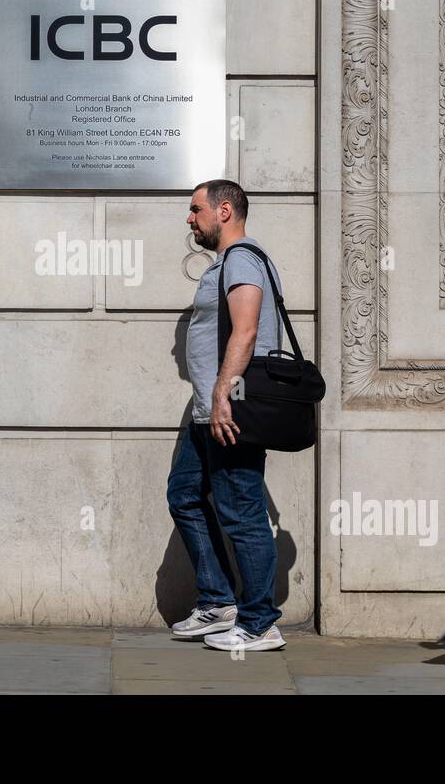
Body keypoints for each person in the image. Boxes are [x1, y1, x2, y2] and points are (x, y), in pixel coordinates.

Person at [167, 179, 287, 651]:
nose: (189, 219)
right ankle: (219, 601)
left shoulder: (242, 259)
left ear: (223, 211)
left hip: (228, 409)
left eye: (195, 210)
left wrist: (221, 395)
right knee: (184, 496)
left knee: (242, 513)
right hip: (208, 409)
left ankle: (260, 623)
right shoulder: (227, 263)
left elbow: (247, 328)